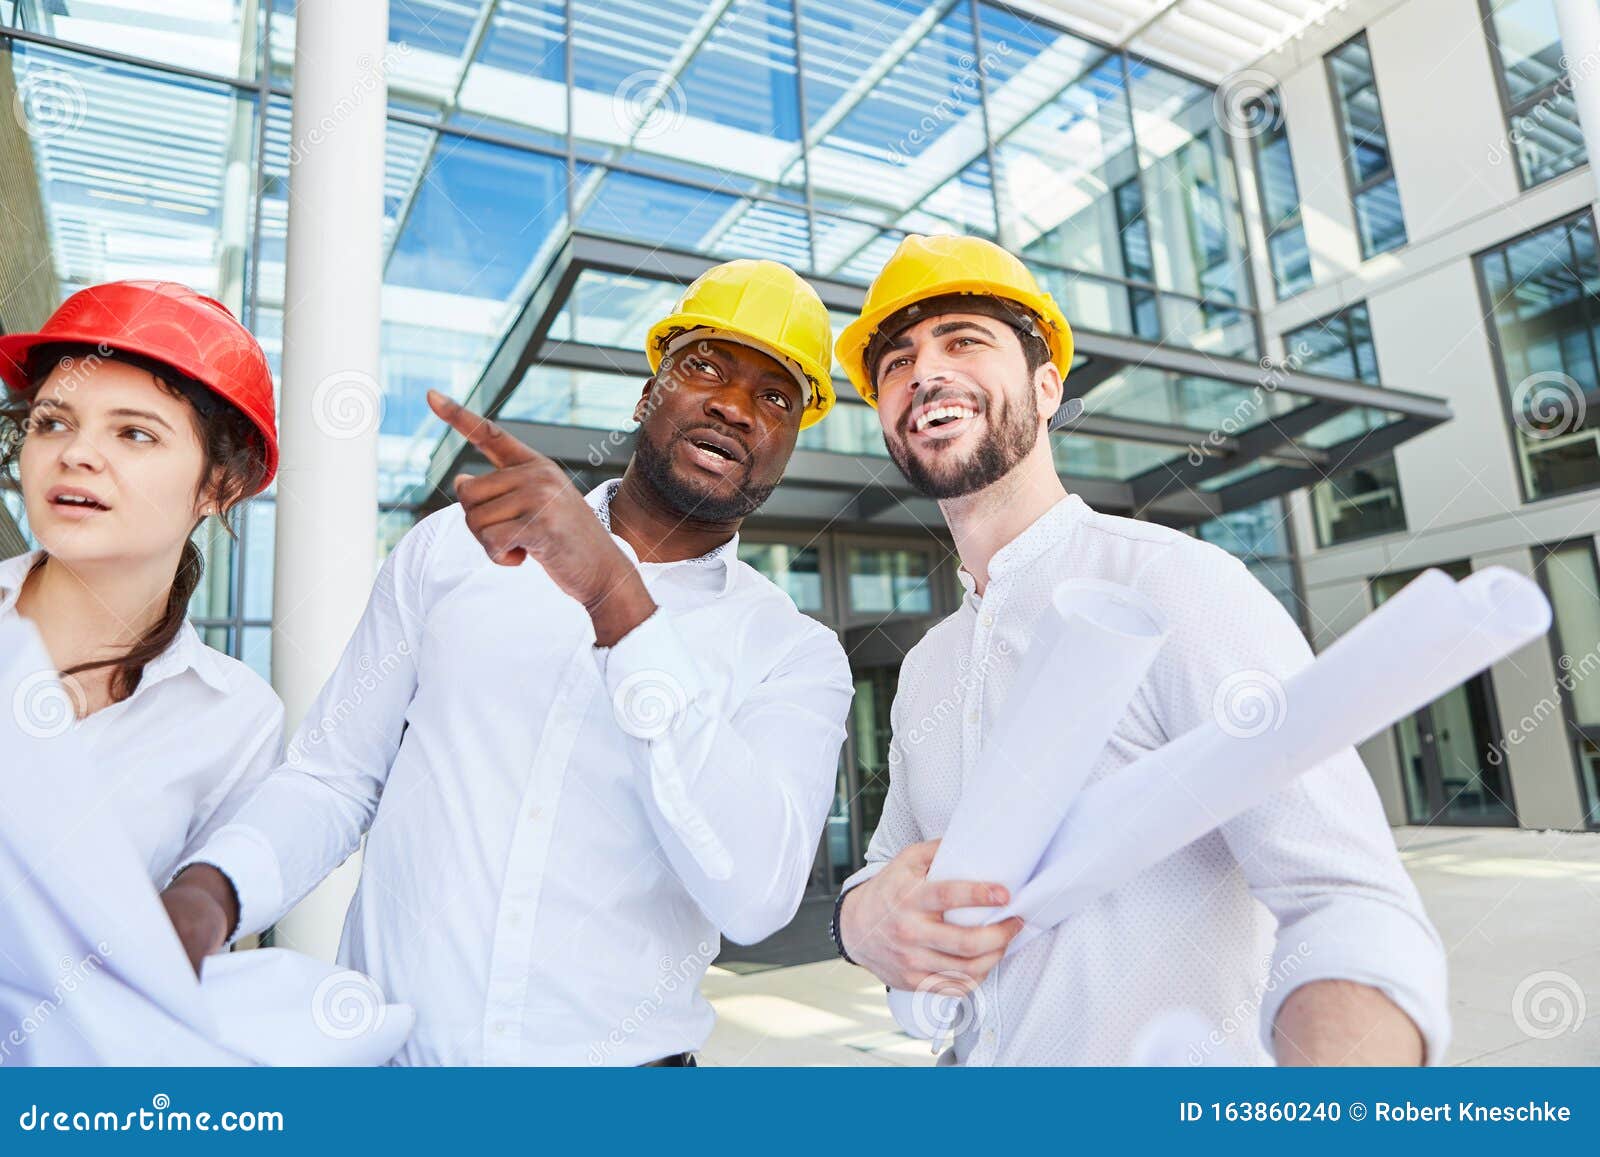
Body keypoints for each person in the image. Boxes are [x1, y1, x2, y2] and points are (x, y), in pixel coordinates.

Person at [159, 259, 856, 1066]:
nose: (735, 406)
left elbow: (756, 892)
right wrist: (212, 889)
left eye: (776, 396)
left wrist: (615, 598)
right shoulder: (452, 551)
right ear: (646, 393)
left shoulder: (795, 655)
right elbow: (334, 777)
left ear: (789, 446)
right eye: (704, 365)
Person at [828, 234, 1449, 1066]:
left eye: (964, 340)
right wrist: (858, 922)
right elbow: (884, 868)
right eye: (896, 362)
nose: (925, 373)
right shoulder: (927, 667)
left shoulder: (1178, 585)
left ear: (1047, 389)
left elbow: (1345, 896)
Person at [0, 281, 284, 893]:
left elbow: (186, 956)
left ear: (219, 487)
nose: (76, 453)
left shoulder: (236, 718)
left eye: (134, 434)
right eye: (52, 423)